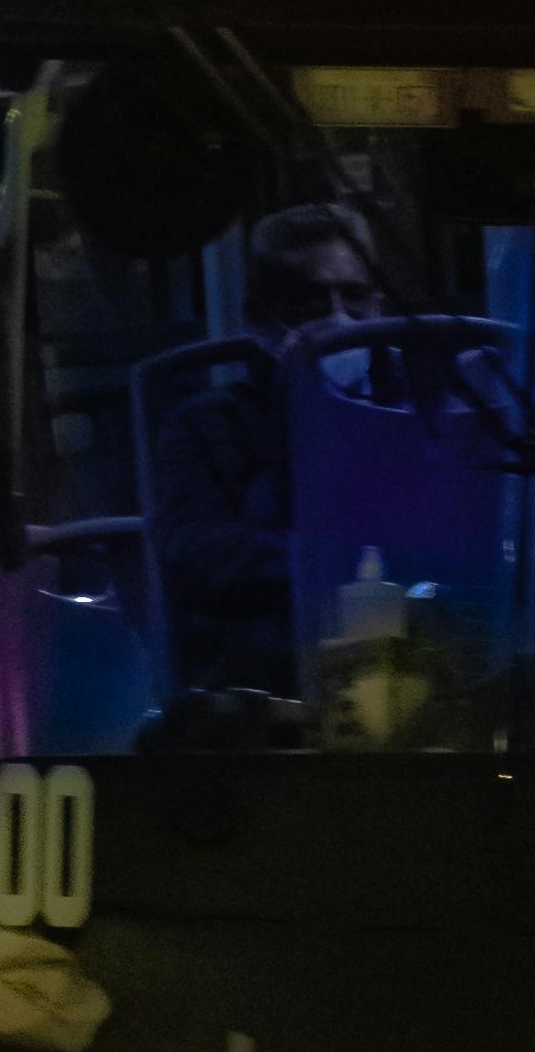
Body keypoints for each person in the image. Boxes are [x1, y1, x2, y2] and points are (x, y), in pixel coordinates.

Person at [148, 202, 378, 694]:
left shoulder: (423, 412)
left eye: (354, 297)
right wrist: (349, 566)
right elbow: (200, 555)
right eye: (311, 304)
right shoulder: (207, 427)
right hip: (273, 673)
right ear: (262, 321)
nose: (340, 319)